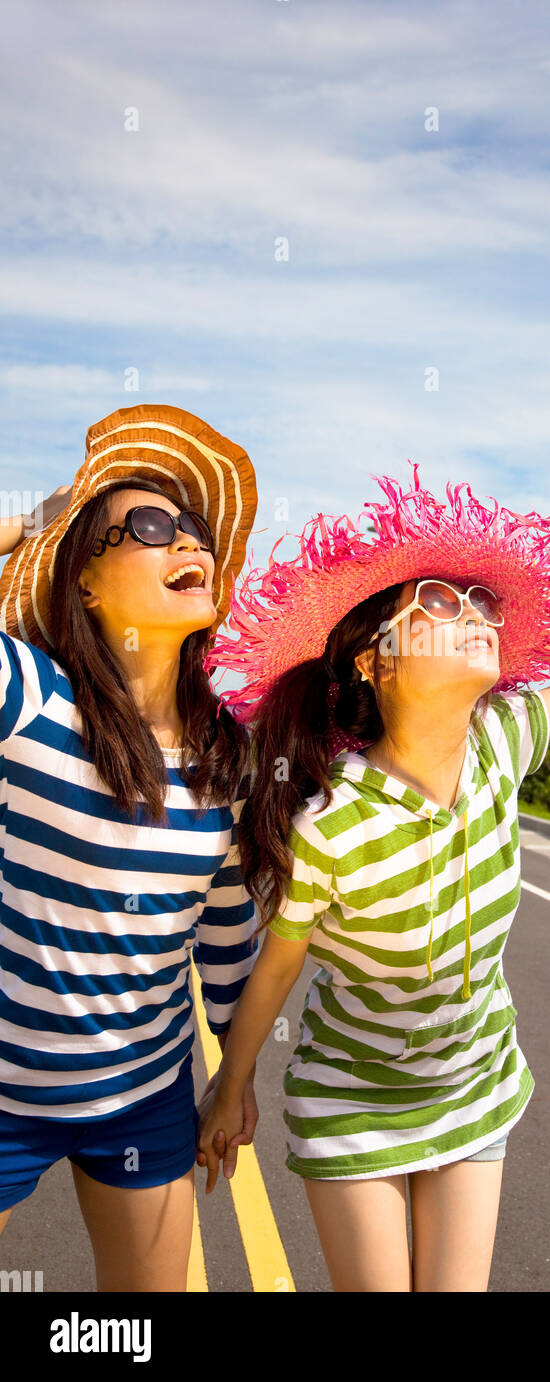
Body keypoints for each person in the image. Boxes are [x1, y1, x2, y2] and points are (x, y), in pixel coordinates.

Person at [197, 461, 550, 1291]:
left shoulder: (502, 738)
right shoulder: (331, 825)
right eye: (436, 603)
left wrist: (529, 621)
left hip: (475, 1084)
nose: (474, 612)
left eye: (480, 602)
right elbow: (280, 968)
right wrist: (234, 1084)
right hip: (356, 1103)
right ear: (375, 661)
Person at [0, 404, 260, 1291]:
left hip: (141, 1096)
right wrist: (34, 522)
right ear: (86, 581)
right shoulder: (27, 696)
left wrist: (234, 1080)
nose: (188, 540)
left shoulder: (229, 755)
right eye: (149, 526)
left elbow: (225, 941)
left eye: (193, 529)